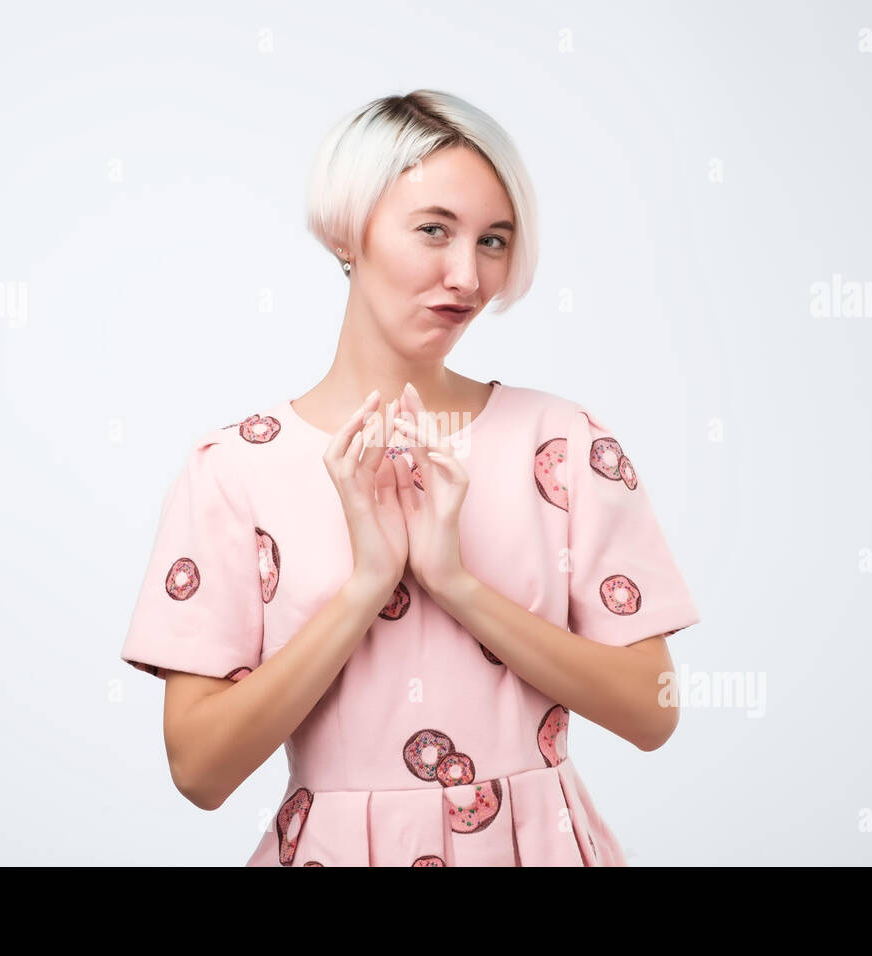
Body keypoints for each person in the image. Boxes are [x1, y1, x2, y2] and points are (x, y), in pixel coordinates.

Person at [119, 89, 701, 866]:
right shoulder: (235, 471)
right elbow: (200, 769)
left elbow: (652, 712)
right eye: (434, 230)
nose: (467, 276)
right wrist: (365, 587)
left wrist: (457, 586)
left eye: (494, 241)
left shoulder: (564, 444)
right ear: (346, 230)